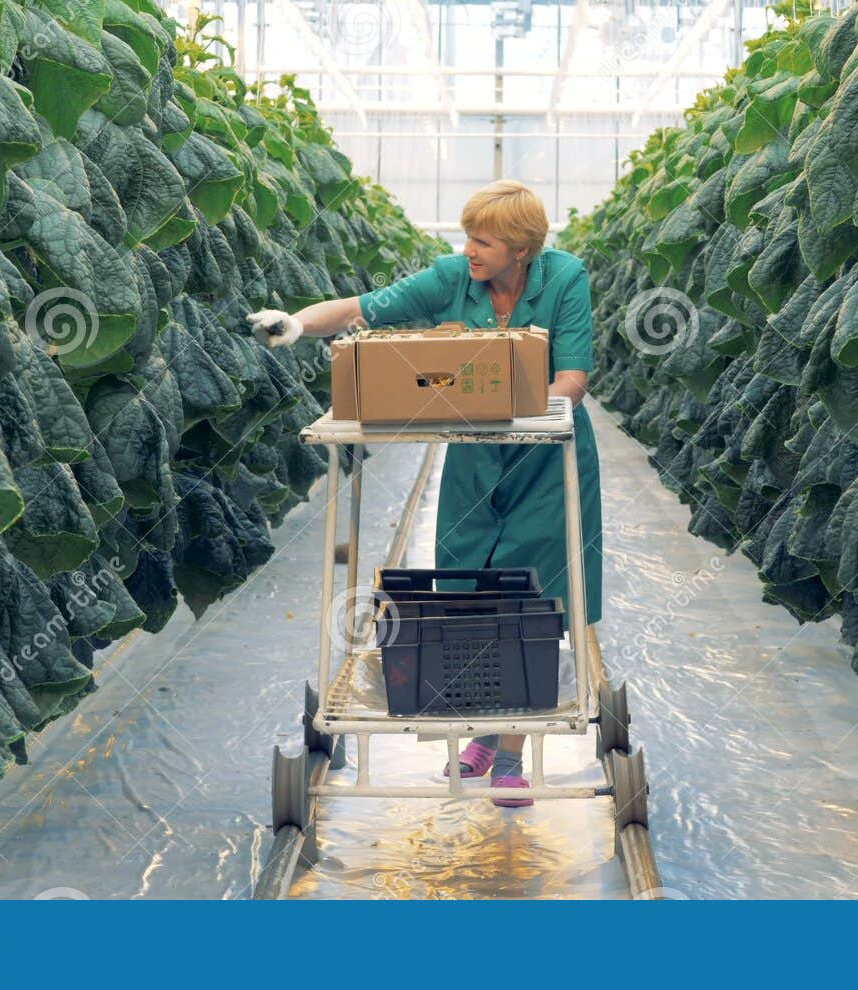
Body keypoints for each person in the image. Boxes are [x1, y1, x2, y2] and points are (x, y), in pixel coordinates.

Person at [246, 179, 604, 808]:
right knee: (467, 591)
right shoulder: (453, 277)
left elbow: (571, 378)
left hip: (545, 465)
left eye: (483, 241)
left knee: (533, 599)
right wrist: (297, 324)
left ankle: (511, 757)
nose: (469, 249)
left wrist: (515, 404)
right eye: (468, 236)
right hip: (473, 460)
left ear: (521, 249)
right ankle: (484, 734)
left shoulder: (565, 279)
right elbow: (366, 307)